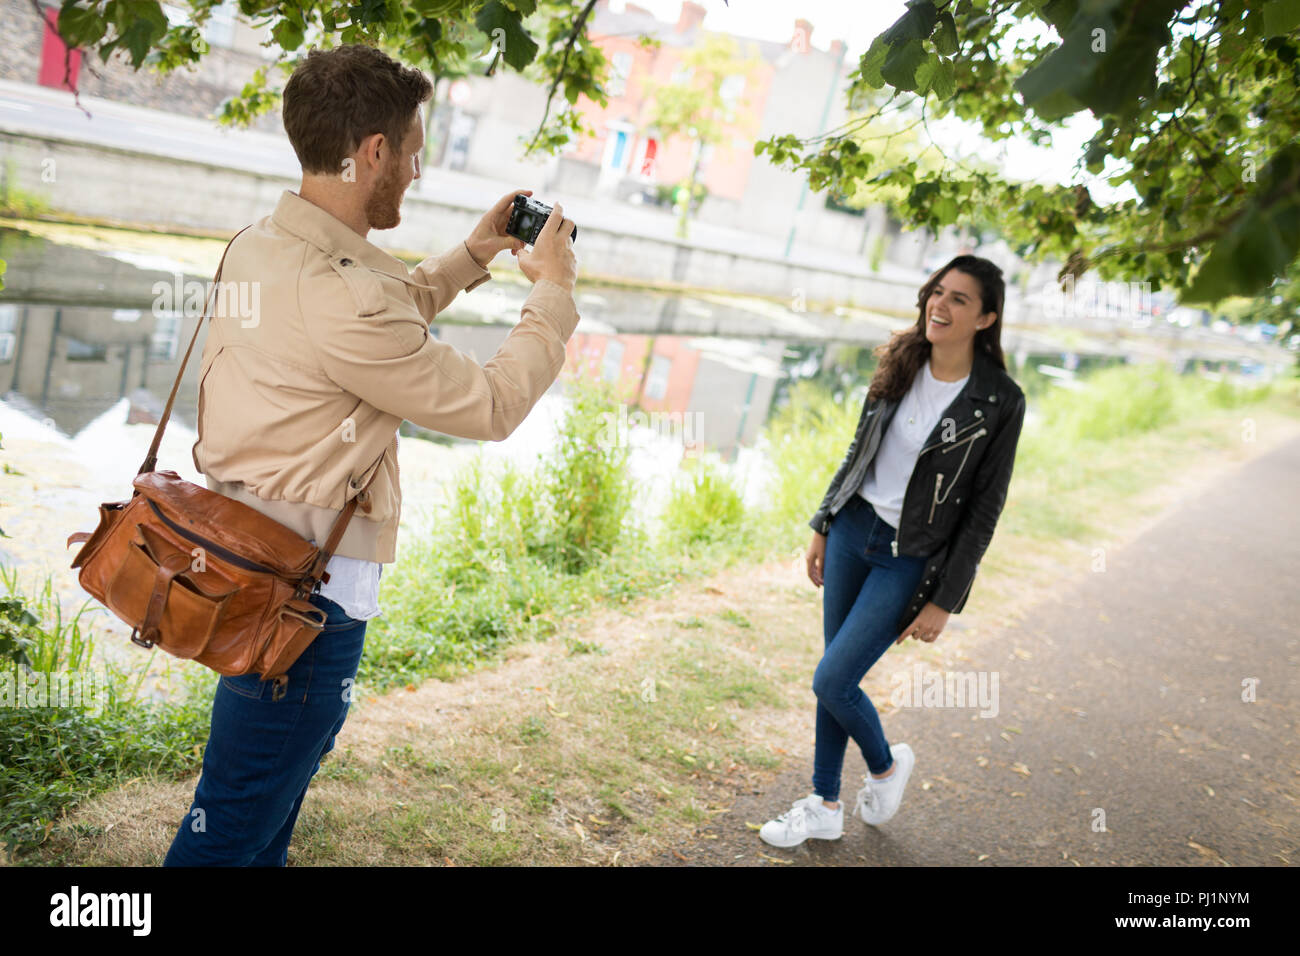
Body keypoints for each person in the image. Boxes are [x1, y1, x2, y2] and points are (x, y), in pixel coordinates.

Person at [162, 44, 578, 866]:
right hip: (307, 602)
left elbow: (372, 322)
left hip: (243, 566)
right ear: (374, 152)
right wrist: (552, 292)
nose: (417, 171)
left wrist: (473, 253)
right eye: (413, 150)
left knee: (259, 807)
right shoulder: (347, 297)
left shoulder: (263, 243)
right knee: (236, 820)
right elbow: (490, 405)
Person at [759, 255, 1026, 848]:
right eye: (938, 290)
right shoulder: (903, 359)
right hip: (854, 530)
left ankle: (884, 765)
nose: (941, 304)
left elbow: (985, 507)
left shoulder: (999, 400)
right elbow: (860, 448)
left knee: (832, 679)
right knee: (838, 673)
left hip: (910, 556)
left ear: (986, 318)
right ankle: (824, 803)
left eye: (960, 299)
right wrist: (824, 521)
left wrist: (947, 601)